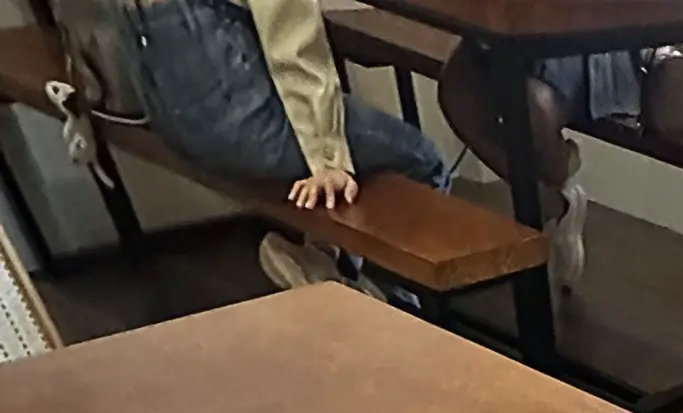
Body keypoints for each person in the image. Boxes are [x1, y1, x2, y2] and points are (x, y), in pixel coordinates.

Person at [121, 0, 445, 288]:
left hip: (167, 115)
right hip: (238, 123)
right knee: (421, 160)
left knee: (351, 135)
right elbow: (292, 40)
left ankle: (327, 258)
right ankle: (392, 305)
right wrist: (328, 159)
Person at [438, 49, 648, 293]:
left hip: (597, 56)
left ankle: (557, 173)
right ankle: (552, 200)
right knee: (455, 90)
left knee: (530, 104)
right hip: (513, 49)